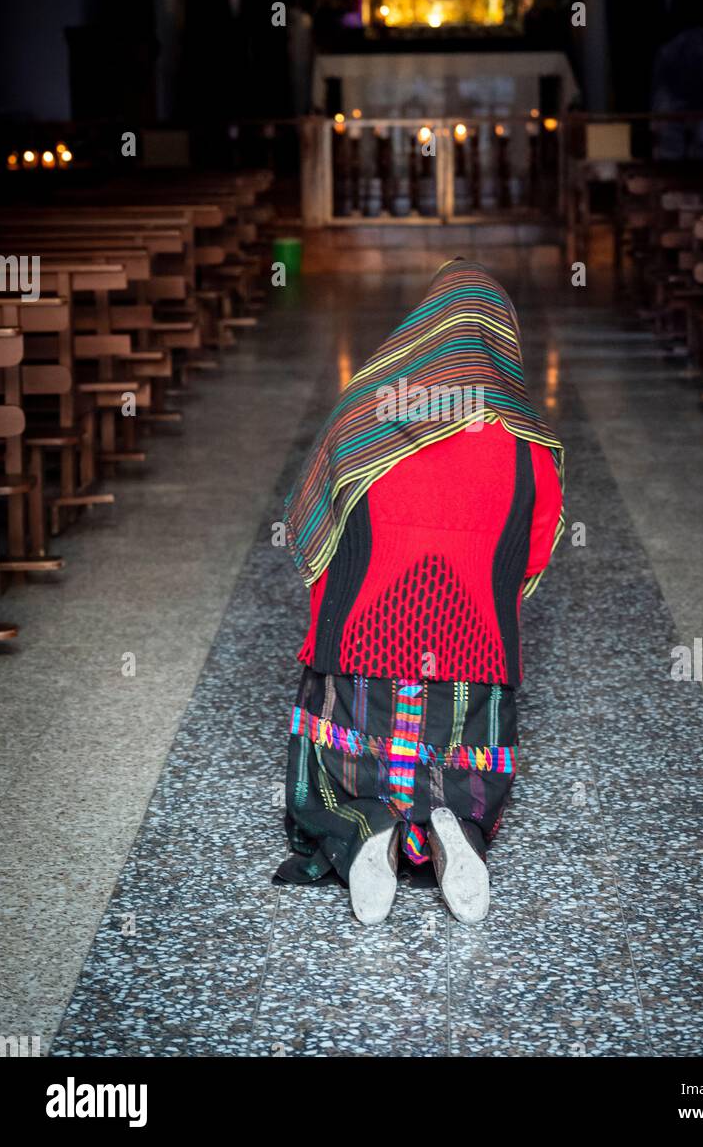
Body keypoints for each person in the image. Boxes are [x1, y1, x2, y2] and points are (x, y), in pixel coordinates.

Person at [273, 258, 564, 925]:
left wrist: (333, 619)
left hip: (365, 633)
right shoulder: (525, 440)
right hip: (473, 639)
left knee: (350, 736)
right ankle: (456, 822)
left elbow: (312, 512)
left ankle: (361, 828)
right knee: (460, 743)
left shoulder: (368, 409)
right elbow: (534, 549)